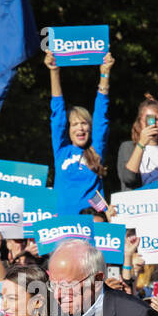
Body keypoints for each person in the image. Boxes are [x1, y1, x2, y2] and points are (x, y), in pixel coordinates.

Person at [46, 50, 113, 215]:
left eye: (84, 123)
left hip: (92, 222)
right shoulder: (62, 151)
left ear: (90, 128)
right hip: (64, 225)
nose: (80, 128)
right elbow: (58, 117)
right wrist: (54, 72)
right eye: (74, 124)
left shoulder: (96, 151)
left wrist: (105, 74)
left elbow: (101, 119)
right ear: (68, 130)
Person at [117, 96, 158, 191]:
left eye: (157, 119)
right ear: (140, 122)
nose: (153, 124)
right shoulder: (128, 147)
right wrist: (142, 143)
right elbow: (128, 178)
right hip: (139, 203)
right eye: (149, 119)